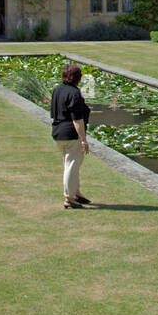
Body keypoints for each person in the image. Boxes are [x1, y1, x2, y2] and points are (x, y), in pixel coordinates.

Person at [50, 64, 92, 209]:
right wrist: (84, 140)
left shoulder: (57, 89)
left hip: (57, 132)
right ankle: (69, 197)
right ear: (77, 78)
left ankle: (76, 192)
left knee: (71, 164)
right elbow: (77, 119)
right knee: (72, 165)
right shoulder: (74, 93)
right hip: (70, 134)